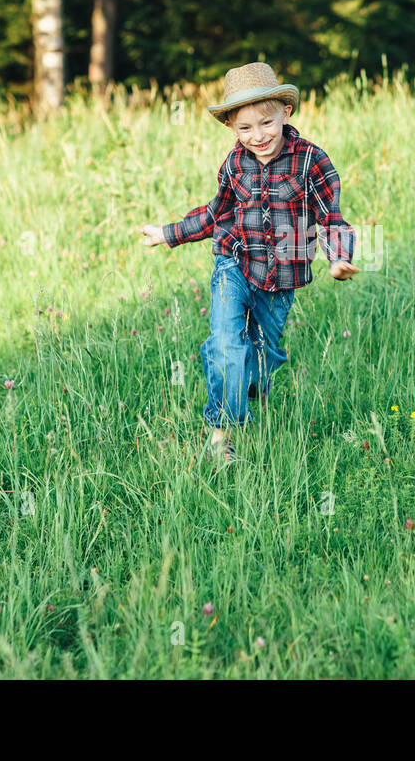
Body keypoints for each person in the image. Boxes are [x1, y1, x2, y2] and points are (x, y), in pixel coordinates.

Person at [139, 62, 360, 464]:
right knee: (226, 345)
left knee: (260, 358)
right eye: (245, 128)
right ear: (231, 128)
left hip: (282, 278)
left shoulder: (311, 160)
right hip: (233, 263)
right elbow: (216, 213)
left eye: (266, 123)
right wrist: (169, 233)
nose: (257, 136)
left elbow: (332, 218)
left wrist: (339, 258)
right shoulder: (233, 164)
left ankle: (247, 382)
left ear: (285, 113)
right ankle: (222, 435)